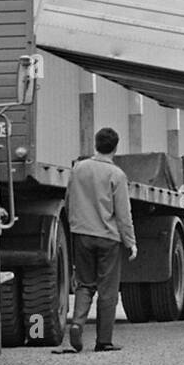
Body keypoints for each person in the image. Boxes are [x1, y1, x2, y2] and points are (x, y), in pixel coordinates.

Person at [57, 127, 137, 353]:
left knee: (84, 283)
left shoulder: (78, 169)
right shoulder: (117, 175)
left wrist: (75, 226)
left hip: (82, 234)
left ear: (95, 144)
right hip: (108, 238)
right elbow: (123, 213)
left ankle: (76, 324)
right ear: (116, 147)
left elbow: (68, 199)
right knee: (108, 290)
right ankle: (104, 340)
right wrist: (130, 242)